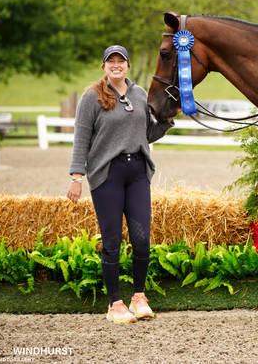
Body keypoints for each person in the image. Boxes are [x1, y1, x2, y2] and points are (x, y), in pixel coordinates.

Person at [67, 45, 174, 323]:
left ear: (127, 65)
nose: (116, 65)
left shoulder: (139, 94)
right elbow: (81, 140)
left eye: (121, 61)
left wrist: (167, 120)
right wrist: (77, 177)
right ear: (104, 66)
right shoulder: (91, 97)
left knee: (141, 239)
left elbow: (146, 133)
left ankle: (138, 297)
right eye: (110, 61)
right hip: (107, 175)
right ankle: (115, 303)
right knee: (112, 241)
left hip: (138, 171)